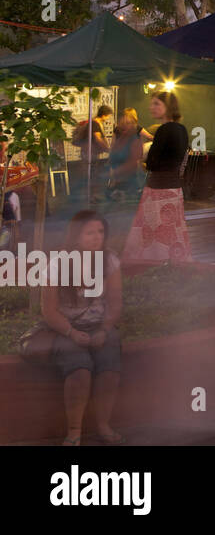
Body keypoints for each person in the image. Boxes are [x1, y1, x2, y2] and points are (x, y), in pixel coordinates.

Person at [40, 210, 124, 446]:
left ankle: (103, 426)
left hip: (99, 326)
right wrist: (71, 332)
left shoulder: (109, 260)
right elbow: (49, 311)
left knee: (109, 367)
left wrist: (105, 329)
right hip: (65, 328)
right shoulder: (57, 264)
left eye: (100, 232)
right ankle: (74, 431)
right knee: (80, 369)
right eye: (90, 233)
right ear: (76, 236)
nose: (97, 237)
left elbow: (116, 303)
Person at [122, 93, 193, 262]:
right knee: (171, 231)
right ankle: (172, 263)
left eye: (156, 104)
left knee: (153, 233)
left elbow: (153, 161)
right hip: (174, 187)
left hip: (158, 188)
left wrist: (144, 160)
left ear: (167, 107)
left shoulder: (164, 129)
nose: (151, 107)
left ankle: (153, 264)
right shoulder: (181, 129)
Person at [105, 109, 145, 201]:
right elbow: (113, 150)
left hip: (130, 180)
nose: (125, 124)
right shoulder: (121, 136)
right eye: (123, 121)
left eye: (128, 122)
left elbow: (134, 161)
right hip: (121, 179)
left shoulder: (135, 137)